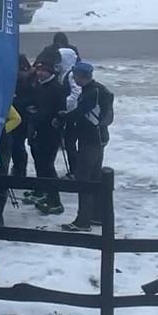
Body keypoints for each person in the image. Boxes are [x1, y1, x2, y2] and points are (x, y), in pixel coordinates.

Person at [61, 61, 114, 231]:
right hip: (100, 138)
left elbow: (80, 113)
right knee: (96, 177)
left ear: (79, 76)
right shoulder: (98, 89)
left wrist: (61, 117)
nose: (73, 79)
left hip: (90, 140)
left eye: (74, 75)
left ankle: (83, 221)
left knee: (83, 179)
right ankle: (97, 216)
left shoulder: (91, 93)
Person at [23, 61, 68, 212]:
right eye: (38, 70)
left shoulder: (56, 87)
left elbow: (54, 111)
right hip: (38, 131)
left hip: (49, 133)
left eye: (43, 71)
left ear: (50, 72)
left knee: (48, 166)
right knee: (39, 163)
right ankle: (42, 191)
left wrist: (35, 114)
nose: (39, 73)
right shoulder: (40, 85)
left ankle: (55, 201)